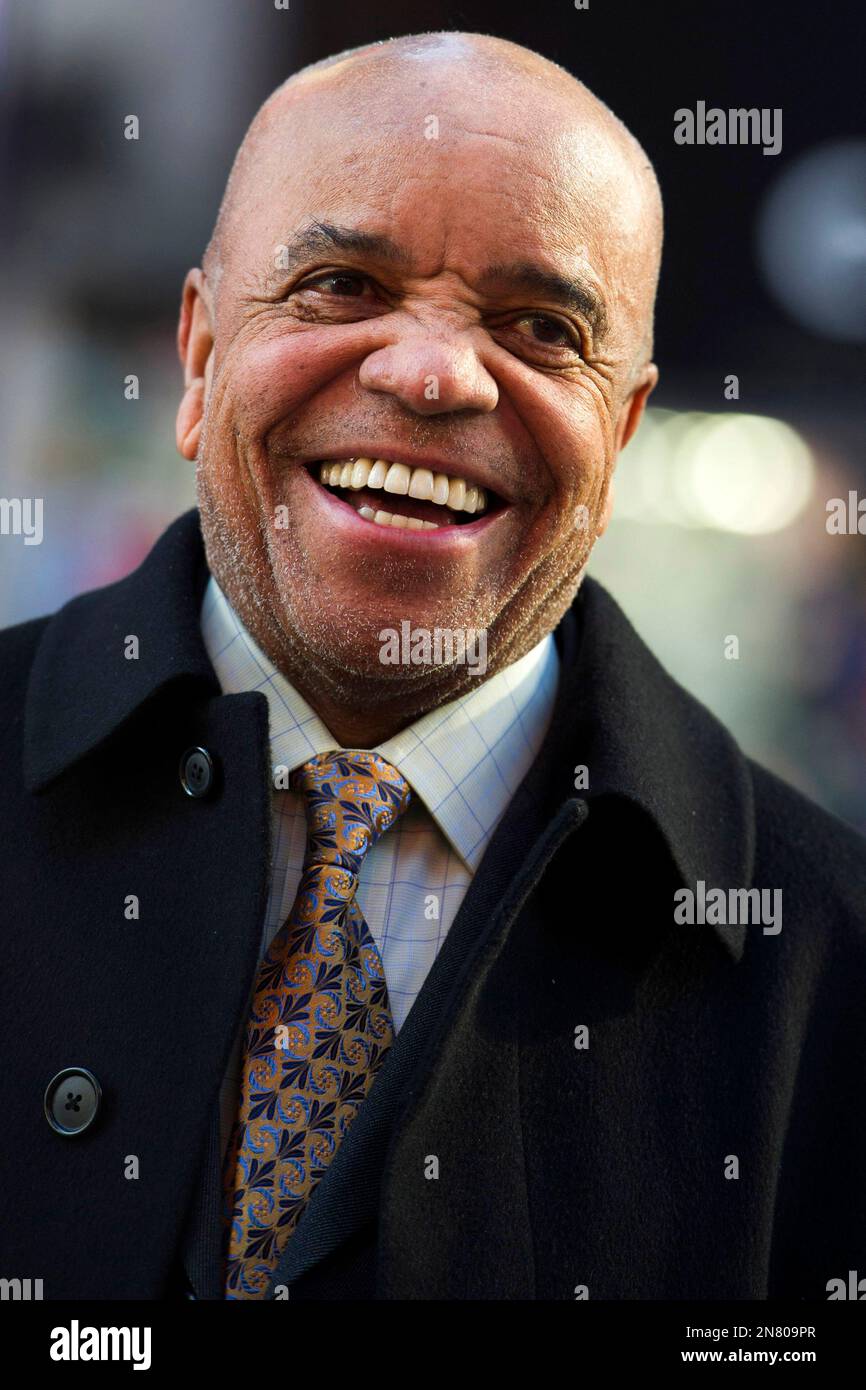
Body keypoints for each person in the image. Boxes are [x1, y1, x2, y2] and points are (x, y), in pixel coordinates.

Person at [2, 32, 864, 1302]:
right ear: (194, 359)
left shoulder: (828, 966)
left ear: (619, 433)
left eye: (539, 325)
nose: (433, 373)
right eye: (342, 285)